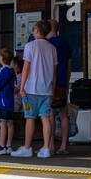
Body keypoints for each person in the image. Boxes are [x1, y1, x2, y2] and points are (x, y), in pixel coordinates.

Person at [13, 20, 58, 158]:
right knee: (45, 118)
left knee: (30, 117)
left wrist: (22, 87)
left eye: (34, 29)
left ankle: (27, 147)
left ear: (38, 31)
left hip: (31, 89)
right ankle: (46, 148)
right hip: (47, 89)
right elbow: (54, 72)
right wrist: (53, 89)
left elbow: (26, 68)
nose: (33, 31)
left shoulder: (30, 46)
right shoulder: (52, 48)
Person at [47, 19, 74, 155]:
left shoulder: (48, 44)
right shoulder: (65, 43)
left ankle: (51, 145)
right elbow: (69, 64)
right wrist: (67, 81)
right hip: (63, 82)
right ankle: (64, 146)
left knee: (50, 114)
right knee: (64, 114)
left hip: (51, 82)